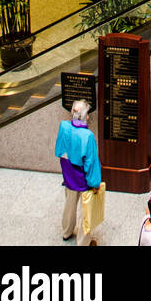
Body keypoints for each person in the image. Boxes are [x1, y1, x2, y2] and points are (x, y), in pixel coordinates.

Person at [55, 100, 102, 247]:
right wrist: (94, 183)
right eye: (87, 114)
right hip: (83, 180)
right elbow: (91, 163)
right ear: (85, 117)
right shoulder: (87, 136)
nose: (88, 117)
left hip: (68, 176)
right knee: (85, 213)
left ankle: (66, 231)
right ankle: (83, 242)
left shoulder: (64, 127)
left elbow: (59, 151)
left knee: (69, 206)